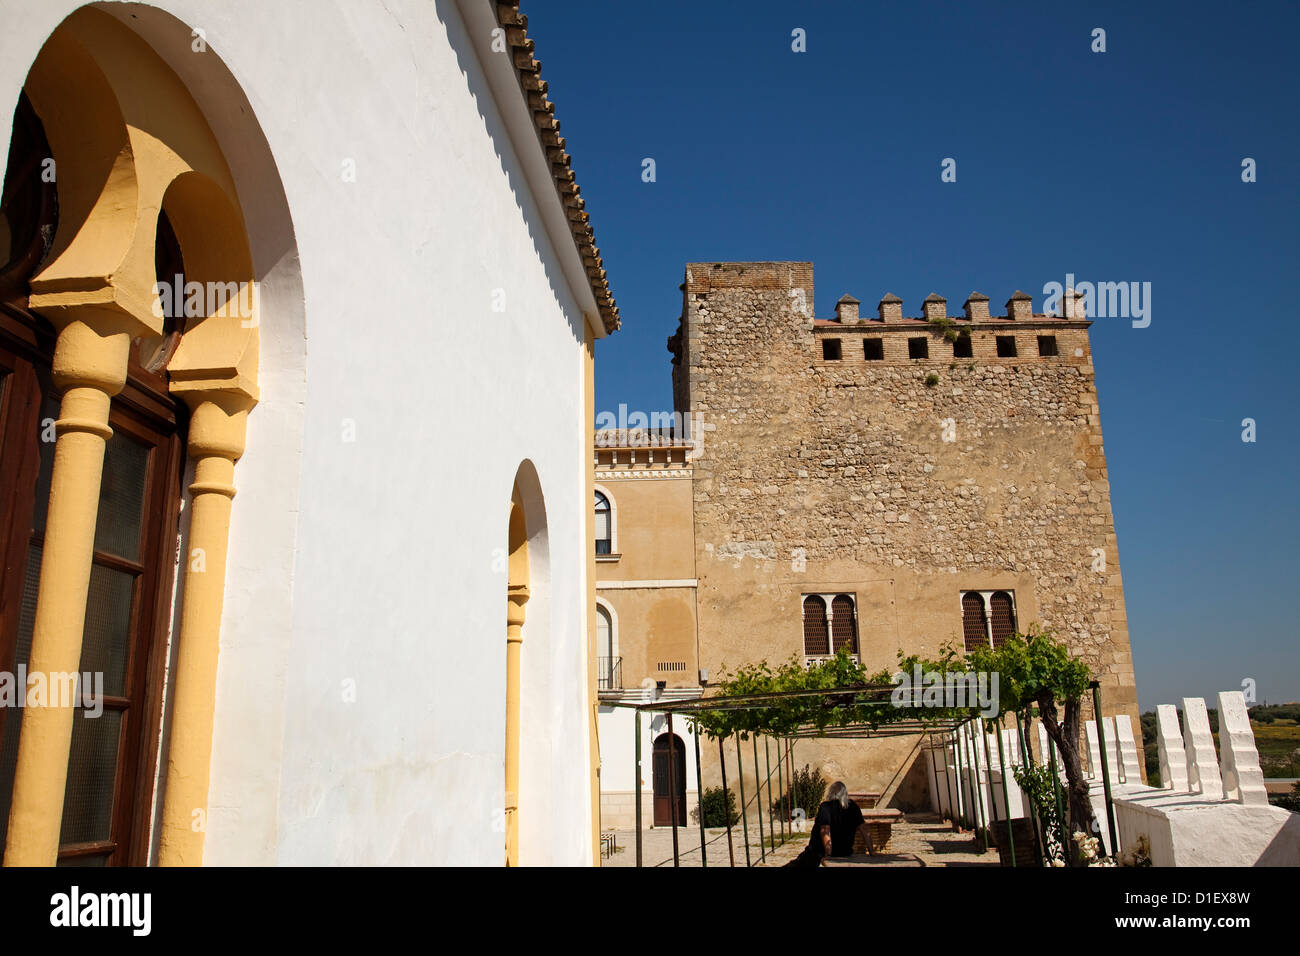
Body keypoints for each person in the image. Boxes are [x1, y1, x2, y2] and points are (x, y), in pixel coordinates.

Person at [784, 781, 865, 867]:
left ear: (830, 793)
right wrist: (872, 851)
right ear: (845, 793)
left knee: (799, 863)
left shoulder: (826, 806)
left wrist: (828, 854)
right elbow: (864, 830)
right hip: (845, 851)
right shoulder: (853, 806)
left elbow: (825, 831)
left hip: (819, 850)